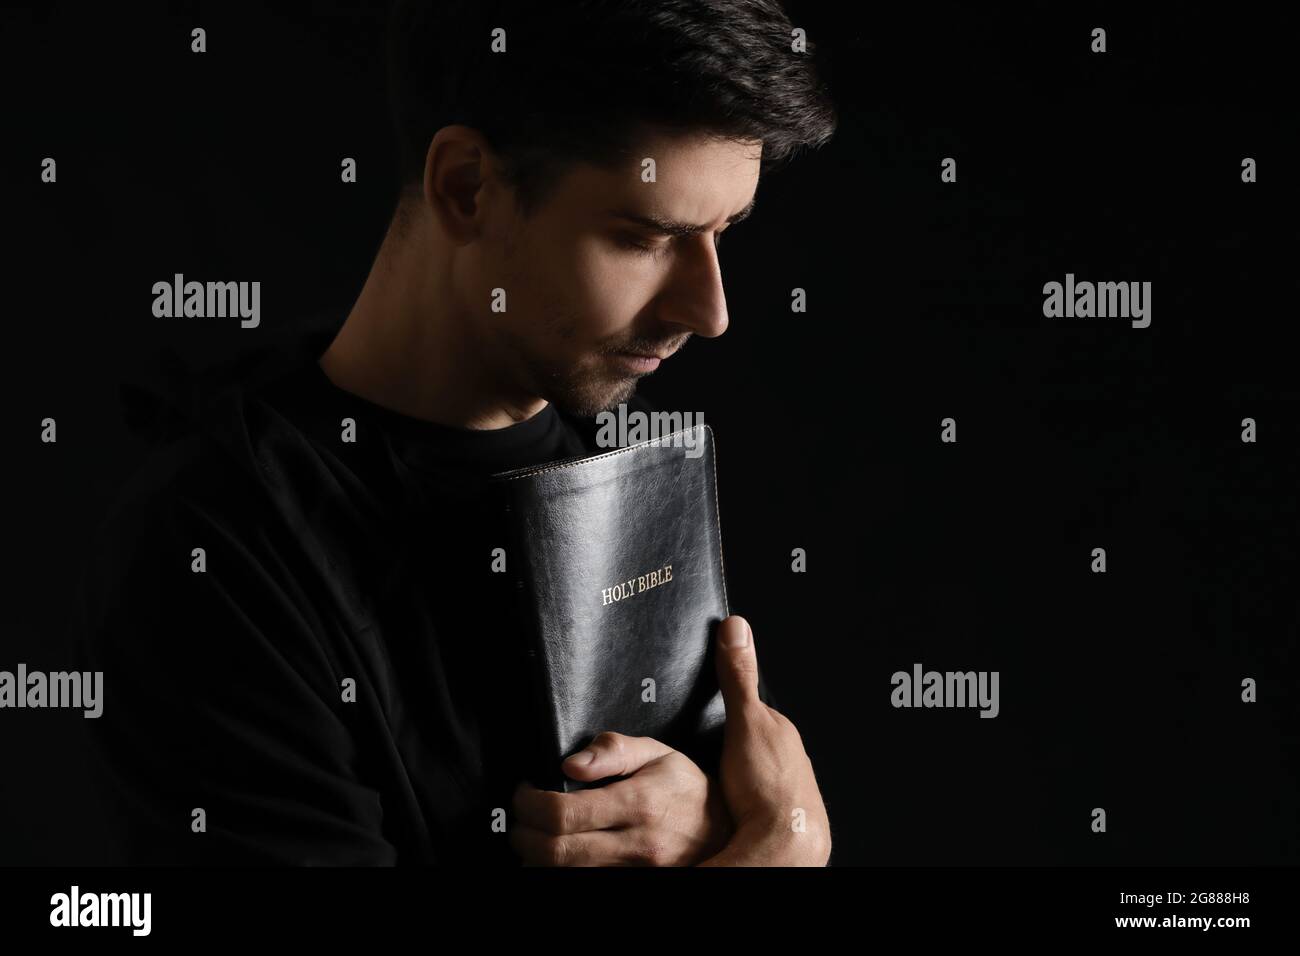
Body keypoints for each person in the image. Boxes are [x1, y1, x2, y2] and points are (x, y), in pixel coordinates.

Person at [74, 0, 837, 866]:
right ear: (466, 187)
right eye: (645, 237)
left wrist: (742, 830)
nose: (712, 312)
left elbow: (748, 805)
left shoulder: (622, 468)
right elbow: (772, 834)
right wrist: (774, 851)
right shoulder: (214, 551)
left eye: (723, 233)